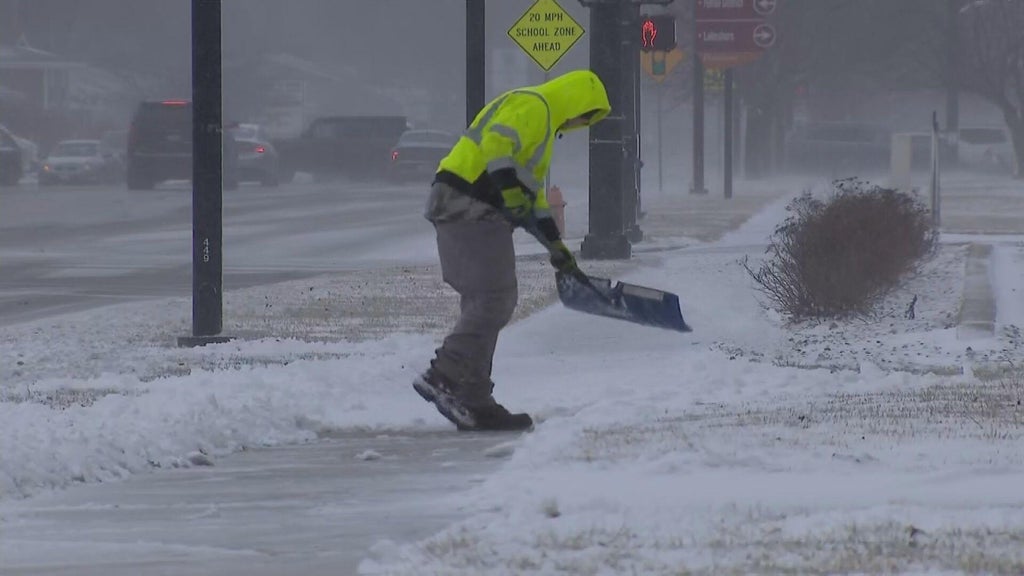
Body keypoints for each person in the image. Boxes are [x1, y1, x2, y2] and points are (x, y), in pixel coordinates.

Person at [413, 69, 611, 432]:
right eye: (585, 115)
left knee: (485, 300)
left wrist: (558, 251)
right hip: (468, 200)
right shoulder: (534, 105)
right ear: (578, 99)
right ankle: (444, 373)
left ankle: (473, 399)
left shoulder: (543, 127)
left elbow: (531, 199)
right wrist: (507, 192)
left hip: (463, 201)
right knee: (495, 298)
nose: (580, 123)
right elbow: (495, 146)